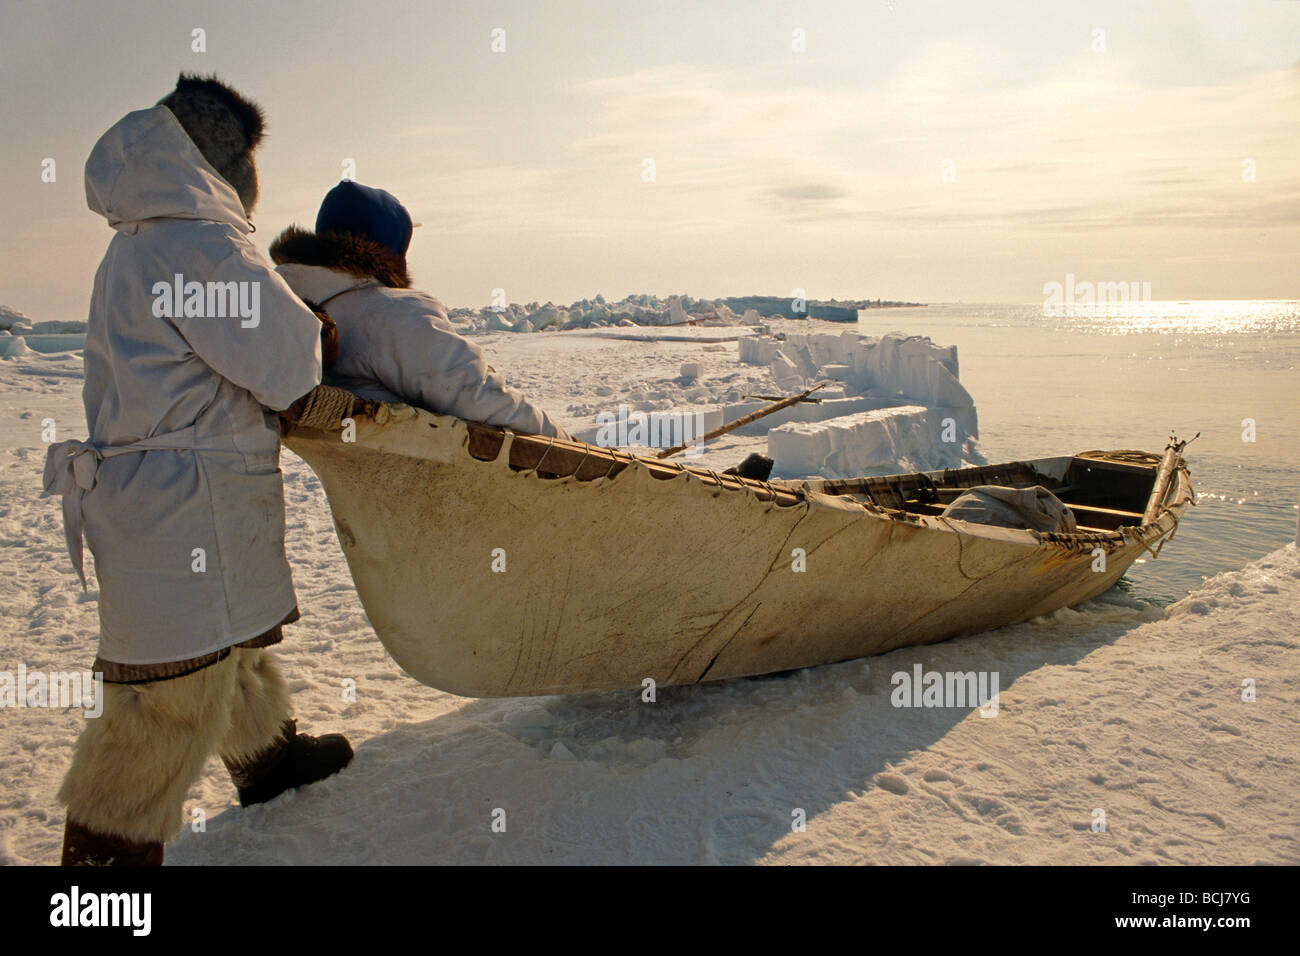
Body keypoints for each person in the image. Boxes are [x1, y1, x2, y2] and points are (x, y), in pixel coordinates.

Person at [43, 74, 353, 866]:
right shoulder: (202, 246)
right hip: (186, 505)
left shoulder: (143, 237)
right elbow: (289, 366)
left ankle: (267, 761)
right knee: (162, 703)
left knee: (228, 649)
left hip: (162, 497)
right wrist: (322, 337)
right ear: (225, 160)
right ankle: (101, 878)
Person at [269, 180, 568, 438]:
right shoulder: (392, 315)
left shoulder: (290, 315)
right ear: (390, 250)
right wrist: (571, 447)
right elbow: (474, 396)